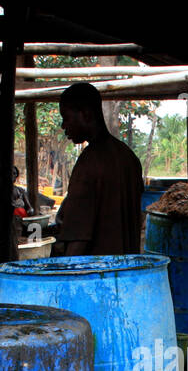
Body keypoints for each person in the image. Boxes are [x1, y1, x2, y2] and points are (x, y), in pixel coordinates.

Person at [54, 83, 142, 257]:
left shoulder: (88, 163)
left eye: (66, 117)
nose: (64, 126)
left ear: (86, 114)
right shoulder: (129, 157)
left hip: (97, 275)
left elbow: (78, 238)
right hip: (129, 272)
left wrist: (65, 278)